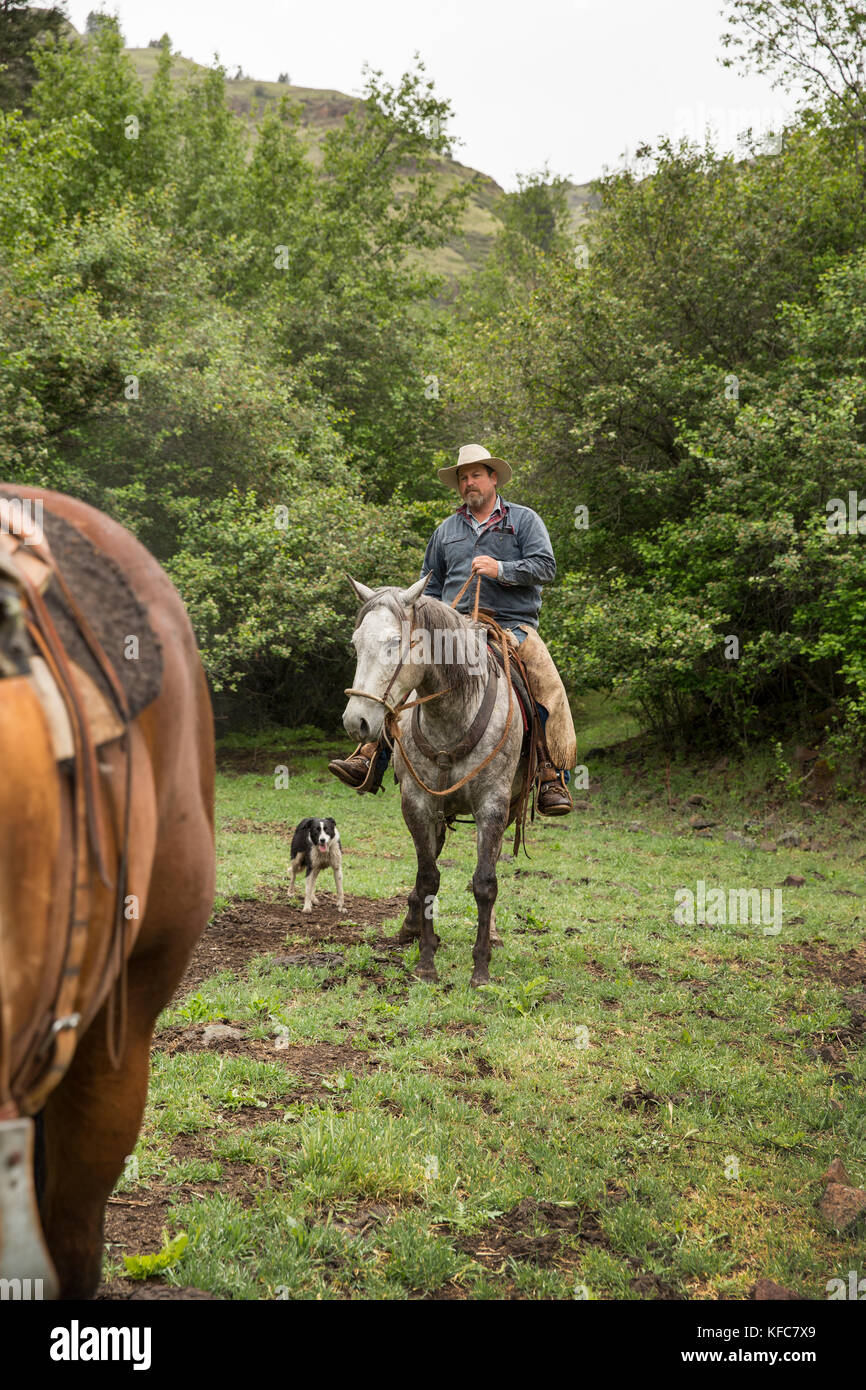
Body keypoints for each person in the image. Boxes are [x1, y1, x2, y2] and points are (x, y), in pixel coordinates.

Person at [329, 444, 576, 815]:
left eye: (476, 474)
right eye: (463, 477)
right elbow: (428, 588)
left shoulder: (523, 520)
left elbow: (546, 567)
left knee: (544, 683)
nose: (468, 482)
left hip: (510, 625)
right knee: (403, 671)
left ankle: (548, 771)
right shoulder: (446, 531)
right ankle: (371, 755)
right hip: (452, 627)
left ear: (493, 478)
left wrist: (501, 570)